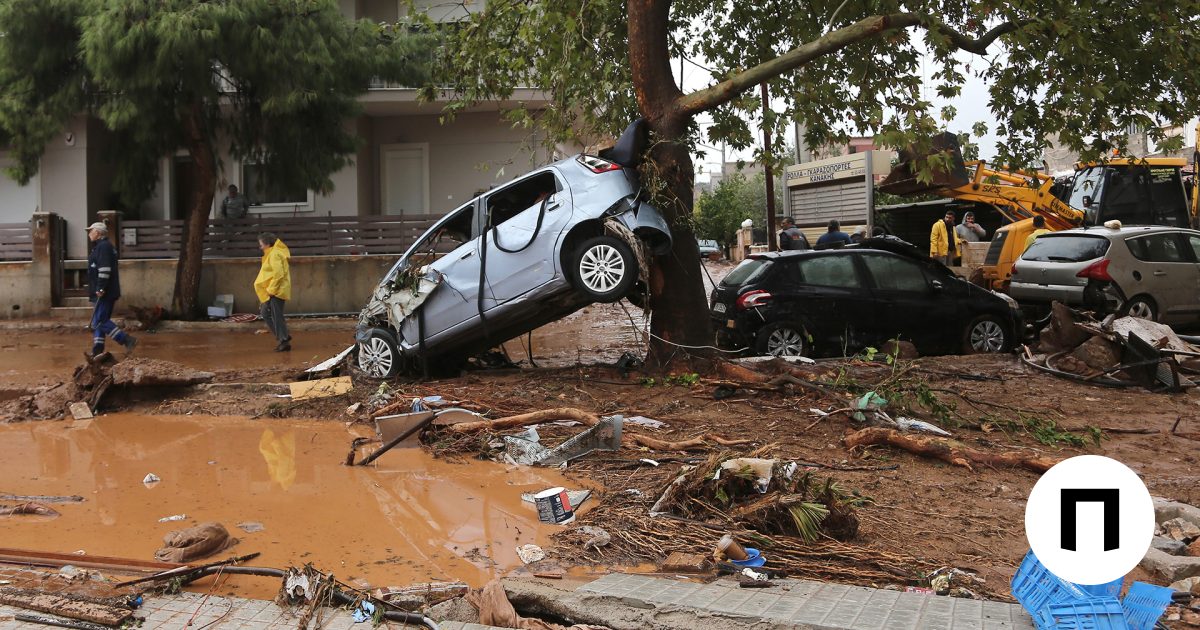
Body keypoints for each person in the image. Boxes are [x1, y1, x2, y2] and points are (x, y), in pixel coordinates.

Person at [86, 222, 137, 356]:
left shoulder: (103, 247)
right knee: (98, 321)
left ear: (98, 232)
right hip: (103, 291)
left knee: (101, 321)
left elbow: (104, 270)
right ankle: (97, 348)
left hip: (104, 292)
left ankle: (126, 339)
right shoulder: (101, 247)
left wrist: (100, 288)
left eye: (91, 231)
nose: (89, 234)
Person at [254, 232, 292, 352]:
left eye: (261, 244)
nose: (260, 246)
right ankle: (283, 336)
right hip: (274, 290)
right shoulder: (272, 253)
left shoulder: (274, 254)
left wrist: (271, 290)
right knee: (266, 313)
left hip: (276, 291)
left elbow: (278, 274)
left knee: (275, 315)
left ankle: (284, 340)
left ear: (266, 243)